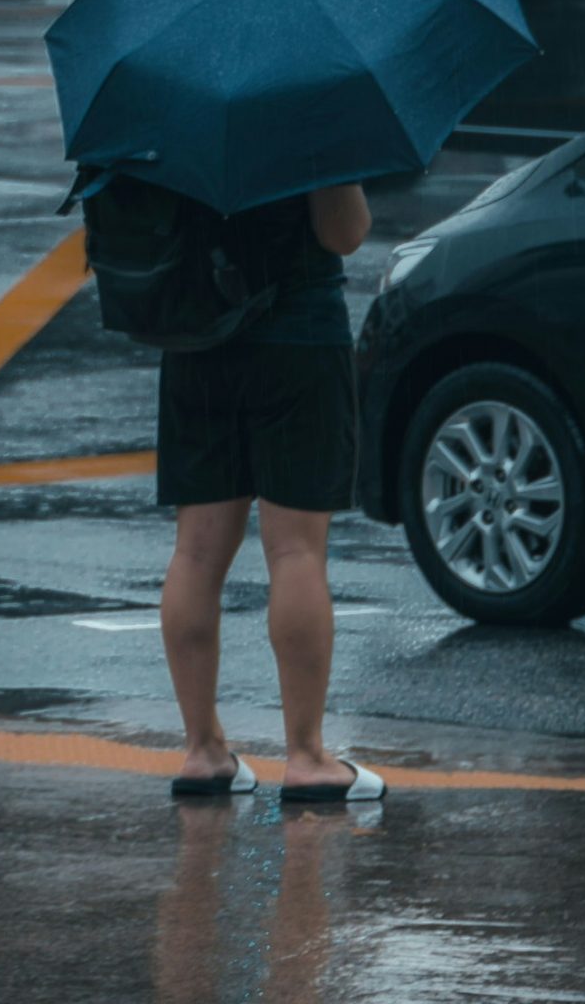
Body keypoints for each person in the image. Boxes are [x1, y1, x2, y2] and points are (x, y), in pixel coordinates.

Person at [158, 181, 387, 805]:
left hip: (195, 335)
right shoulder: (305, 121)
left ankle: (203, 751)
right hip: (298, 337)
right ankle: (307, 757)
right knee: (295, 551)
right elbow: (344, 231)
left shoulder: (170, 120)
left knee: (195, 552)